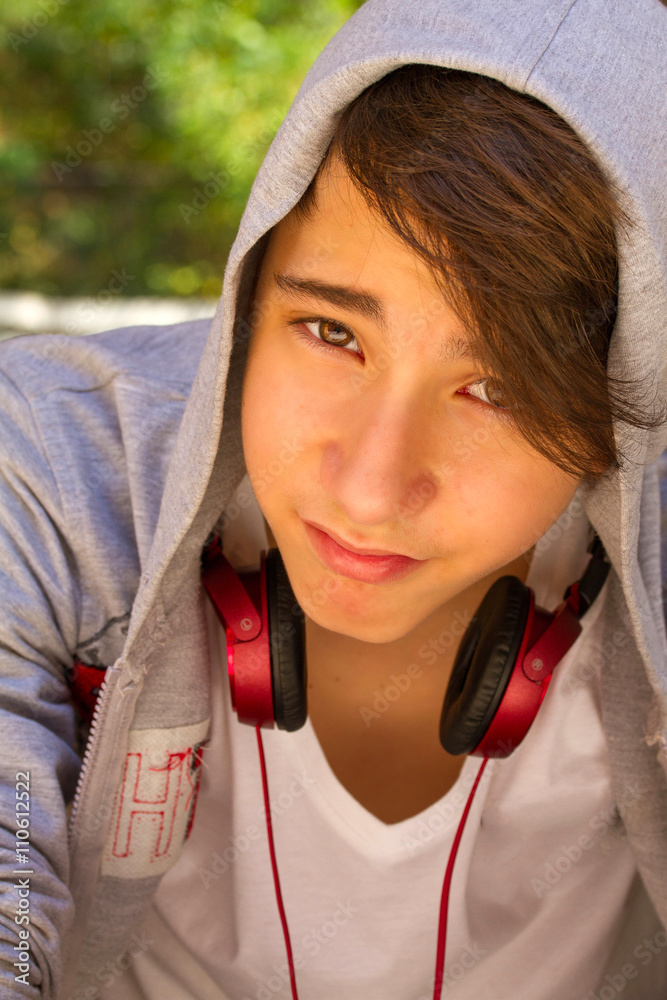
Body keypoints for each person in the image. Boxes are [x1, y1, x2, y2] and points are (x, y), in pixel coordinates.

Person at [1, 1, 666, 998]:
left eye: (499, 387)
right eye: (329, 332)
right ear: (245, 295)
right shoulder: (54, 465)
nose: (368, 487)